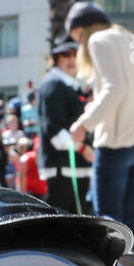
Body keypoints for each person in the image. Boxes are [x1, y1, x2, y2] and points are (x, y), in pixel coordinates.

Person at [66, 0, 134, 249]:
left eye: (75, 38)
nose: (77, 45)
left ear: (82, 30)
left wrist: (84, 123)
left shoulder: (99, 40)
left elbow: (115, 88)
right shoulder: (133, 41)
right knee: (131, 219)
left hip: (119, 142)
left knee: (108, 220)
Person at [38, 34, 93, 214]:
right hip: (63, 169)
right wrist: (84, 150)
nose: (71, 59)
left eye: (74, 54)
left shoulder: (72, 86)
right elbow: (55, 132)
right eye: (65, 54)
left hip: (77, 168)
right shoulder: (53, 85)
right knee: (61, 228)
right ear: (56, 58)